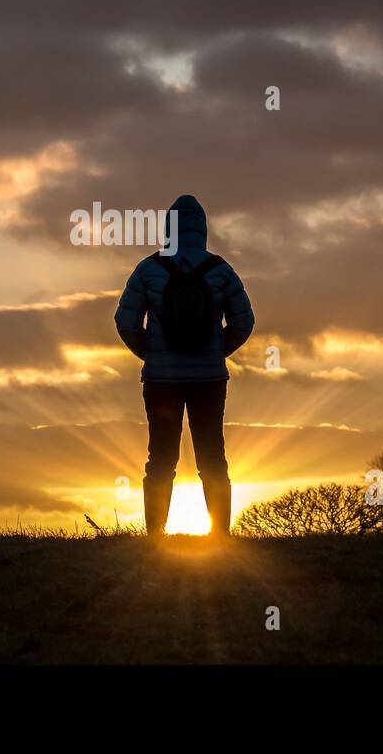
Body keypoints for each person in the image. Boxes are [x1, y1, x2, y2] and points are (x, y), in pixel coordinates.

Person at [114, 194, 255, 536]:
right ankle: (220, 534)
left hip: (162, 380)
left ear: (168, 229)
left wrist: (149, 353)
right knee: (212, 458)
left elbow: (124, 321)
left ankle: (155, 535)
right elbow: (244, 321)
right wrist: (217, 351)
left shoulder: (149, 269)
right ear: (202, 230)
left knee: (160, 459)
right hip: (209, 379)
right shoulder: (220, 270)